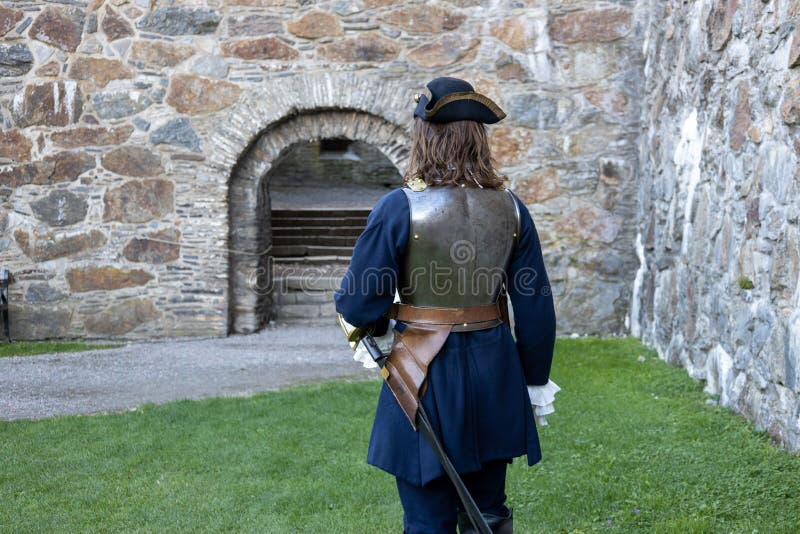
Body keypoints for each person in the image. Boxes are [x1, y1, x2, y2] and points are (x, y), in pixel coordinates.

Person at [334, 77, 559, 534]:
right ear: (479, 138)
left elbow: (358, 303)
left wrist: (376, 329)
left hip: (423, 375)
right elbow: (535, 307)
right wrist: (533, 382)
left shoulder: (399, 207)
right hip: (496, 371)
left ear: (424, 136)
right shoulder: (512, 209)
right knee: (488, 514)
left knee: (428, 519)